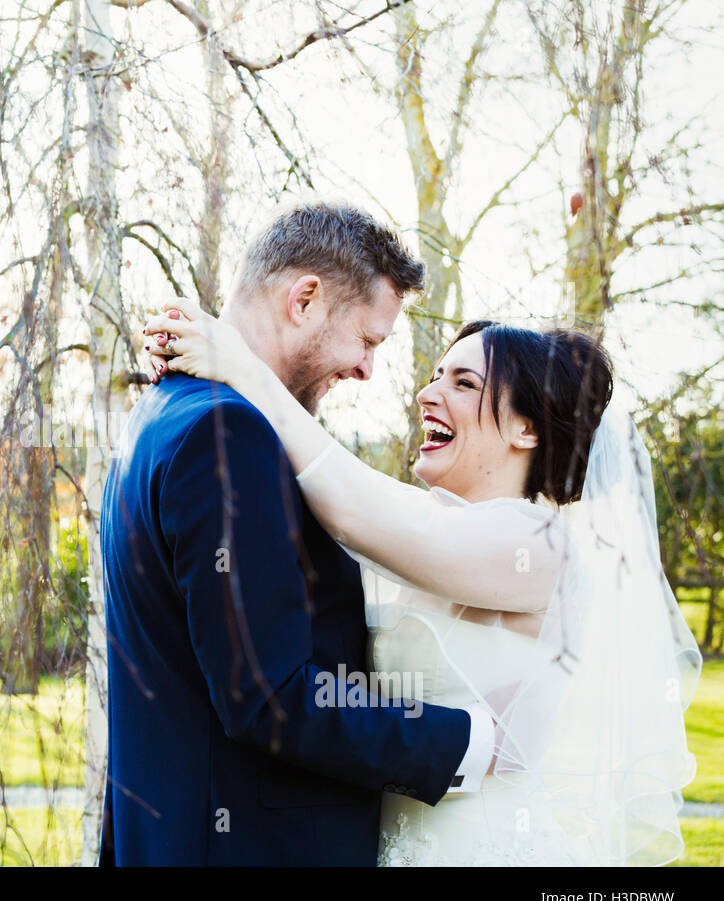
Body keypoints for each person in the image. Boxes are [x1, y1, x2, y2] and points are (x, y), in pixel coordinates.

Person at [142, 270, 701, 865]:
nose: (427, 394)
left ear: (526, 428)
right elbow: (340, 503)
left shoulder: (540, 542)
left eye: (463, 383)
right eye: (436, 376)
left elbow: (355, 508)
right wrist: (200, 353)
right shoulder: (434, 520)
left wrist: (241, 365)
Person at [97, 200, 498, 866]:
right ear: (305, 300)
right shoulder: (227, 438)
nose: (368, 370)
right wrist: (464, 741)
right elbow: (270, 696)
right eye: (368, 340)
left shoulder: (161, 414)